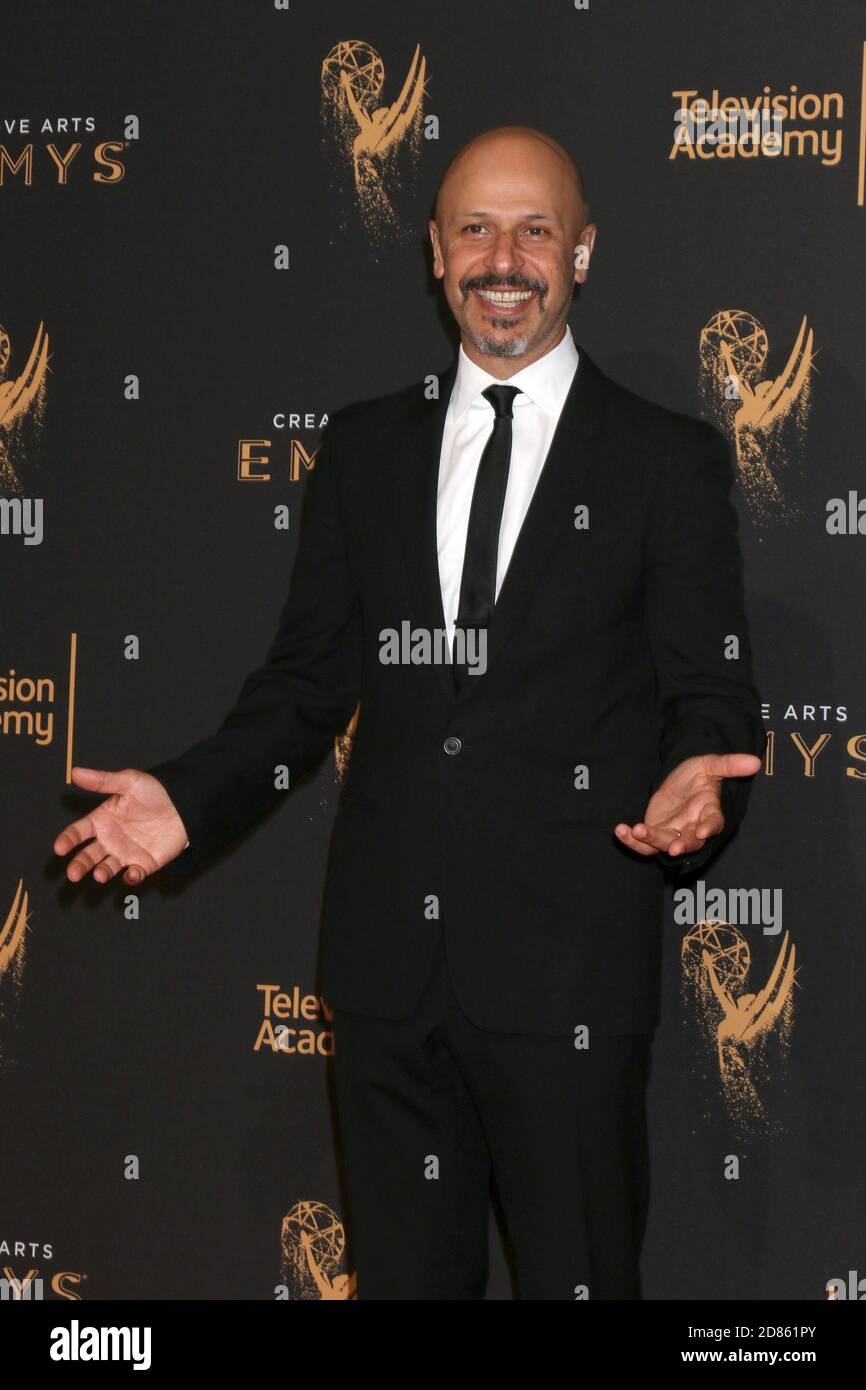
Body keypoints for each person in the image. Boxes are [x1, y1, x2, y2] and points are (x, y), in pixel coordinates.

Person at [53, 126, 764, 1300]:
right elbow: (303, 686)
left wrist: (702, 782)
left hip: (566, 985)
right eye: (474, 228)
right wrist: (192, 796)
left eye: (534, 228)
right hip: (387, 981)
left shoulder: (662, 463)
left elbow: (709, 693)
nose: (503, 256)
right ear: (434, 253)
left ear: (581, 252)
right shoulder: (362, 449)